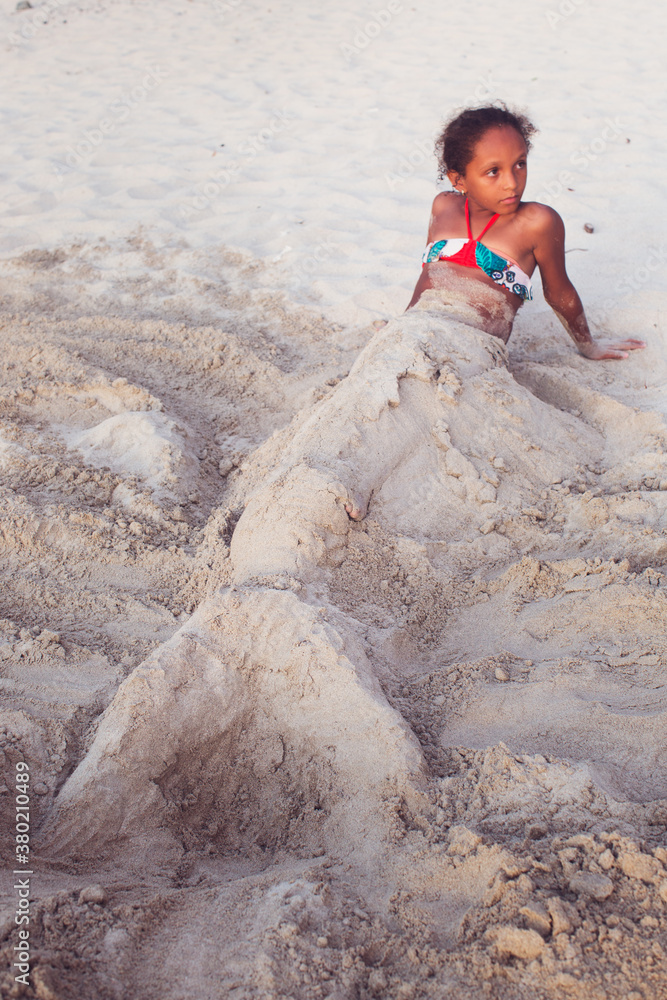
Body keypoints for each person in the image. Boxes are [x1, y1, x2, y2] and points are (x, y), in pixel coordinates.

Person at [406, 105, 646, 361]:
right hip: (414, 332)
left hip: (470, 351)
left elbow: (559, 293)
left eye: (520, 164)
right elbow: (429, 279)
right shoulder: (443, 206)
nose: (511, 182)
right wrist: (405, 321)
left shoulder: (537, 222)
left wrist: (588, 345)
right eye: (493, 172)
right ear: (458, 180)